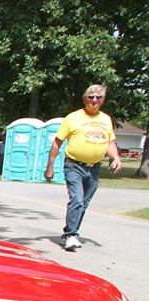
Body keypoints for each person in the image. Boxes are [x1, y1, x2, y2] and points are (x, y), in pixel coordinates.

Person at [45, 84, 123, 251]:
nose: (94, 100)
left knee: (83, 203)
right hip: (74, 165)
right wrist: (50, 167)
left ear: (103, 99)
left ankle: (69, 232)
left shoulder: (106, 119)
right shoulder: (73, 118)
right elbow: (57, 143)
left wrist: (116, 157)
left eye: (98, 97)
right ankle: (71, 235)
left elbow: (109, 142)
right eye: (91, 97)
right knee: (77, 200)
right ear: (85, 98)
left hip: (94, 168)